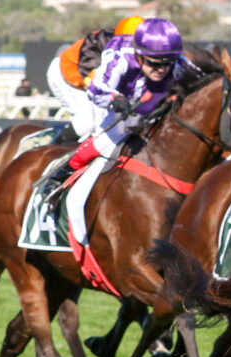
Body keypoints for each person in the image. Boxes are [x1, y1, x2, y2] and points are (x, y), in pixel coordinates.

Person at [48, 17, 186, 248]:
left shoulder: (178, 61)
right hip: (75, 78)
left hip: (138, 95)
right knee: (102, 136)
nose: (161, 69)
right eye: (153, 63)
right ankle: (57, 176)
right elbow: (95, 89)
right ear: (139, 54)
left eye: (167, 63)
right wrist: (115, 98)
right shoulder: (119, 56)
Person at [45, 15, 145, 139]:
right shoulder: (101, 43)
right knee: (88, 125)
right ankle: (53, 142)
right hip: (66, 73)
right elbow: (96, 86)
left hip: (85, 79)